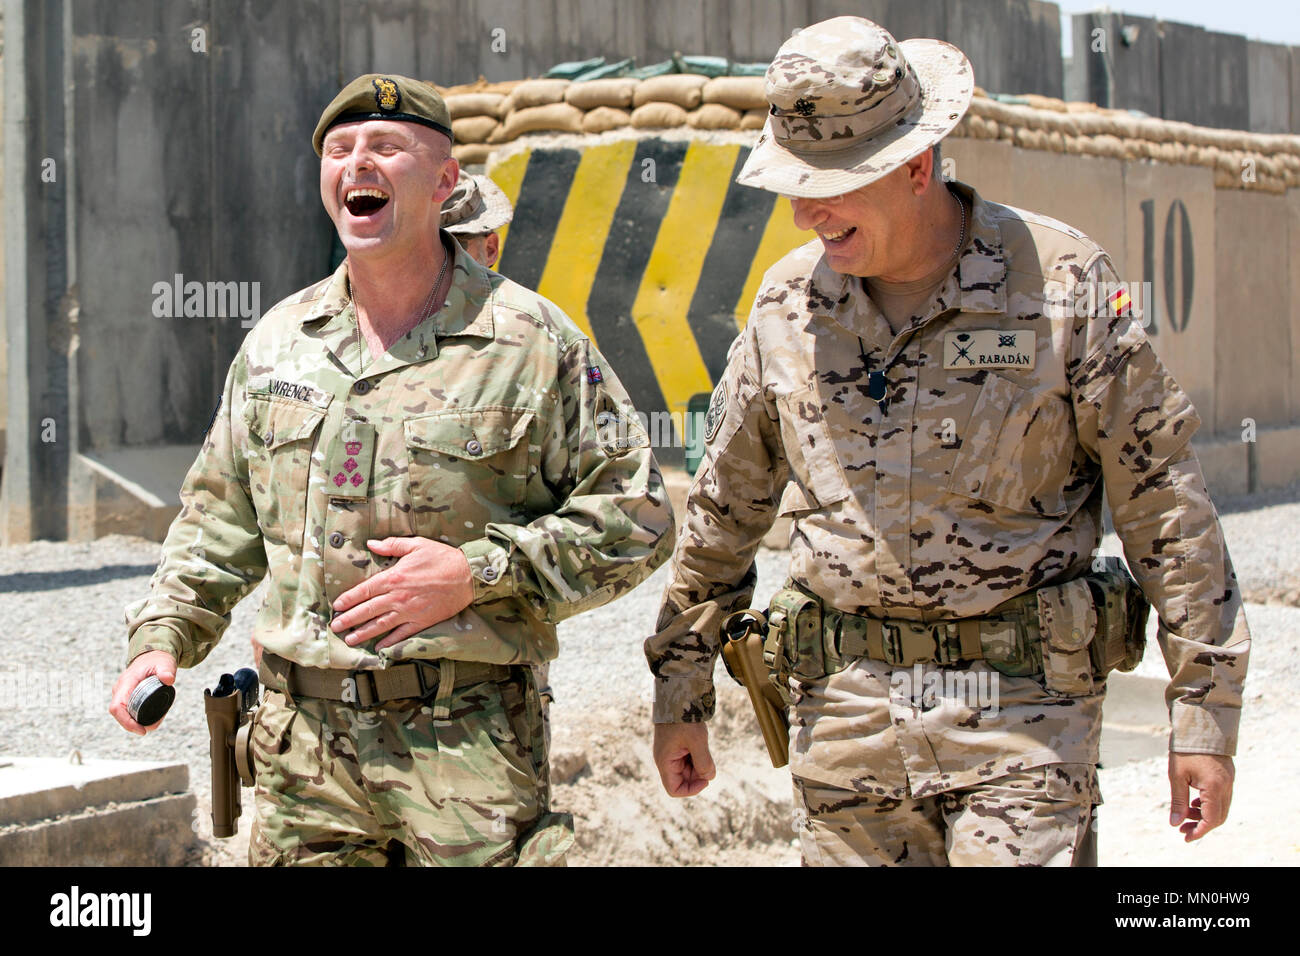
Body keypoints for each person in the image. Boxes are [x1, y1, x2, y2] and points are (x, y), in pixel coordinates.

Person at [645, 17, 1249, 866]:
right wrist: (682, 687)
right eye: (793, 180)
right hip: (848, 733)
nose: (805, 211)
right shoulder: (786, 309)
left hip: (1025, 728)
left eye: (833, 182)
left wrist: (1206, 714)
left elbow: (1166, 508)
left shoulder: (1063, 286)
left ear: (917, 167)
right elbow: (724, 511)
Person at [110, 73, 674, 866]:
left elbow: (640, 516)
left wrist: (477, 573)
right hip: (300, 757)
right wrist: (163, 635)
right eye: (339, 150)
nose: (357, 164)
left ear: (445, 182)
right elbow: (219, 516)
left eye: (385, 147)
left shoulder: (529, 341)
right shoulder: (279, 343)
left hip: (466, 749)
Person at [440, 170, 557, 726]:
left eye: (456, 246)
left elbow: (625, 516)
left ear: (490, 247)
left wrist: (478, 571)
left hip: (490, 691)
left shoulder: (535, 348)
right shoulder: (353, 342)